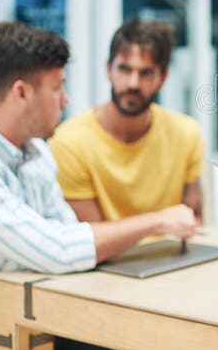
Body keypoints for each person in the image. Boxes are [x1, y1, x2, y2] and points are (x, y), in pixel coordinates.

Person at [0, 22, 196, 350]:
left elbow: (72, 237)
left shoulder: (36, 153)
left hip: (44, 314)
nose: (65, 99)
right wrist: (158, 220)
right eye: (57, 88)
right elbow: (59, 250)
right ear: (21, 92)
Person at [49, 19, 204, 223]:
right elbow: (92, 242)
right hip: (108, 256)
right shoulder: (69, 142)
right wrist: (157, 222)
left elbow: (196, 222)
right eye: (124, 69)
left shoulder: (186, 133)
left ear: (163, 78)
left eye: (146, 73)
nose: (133, 83)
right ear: (108, 70)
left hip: (176, 253)